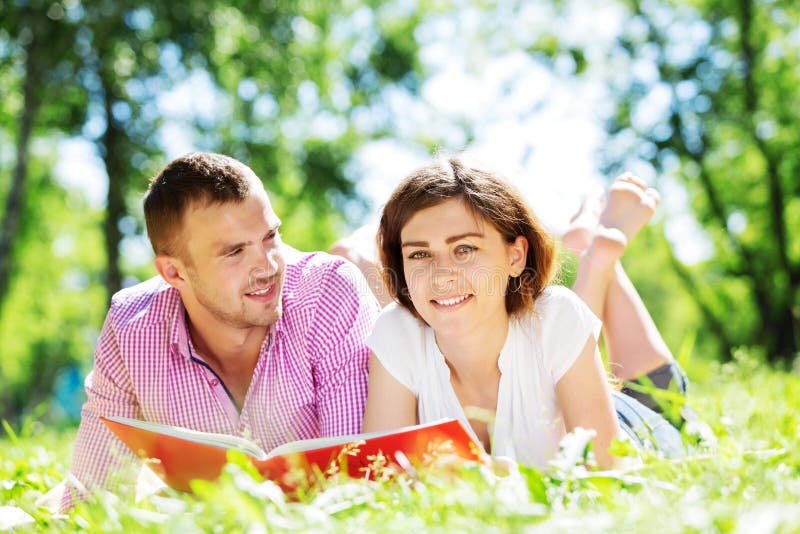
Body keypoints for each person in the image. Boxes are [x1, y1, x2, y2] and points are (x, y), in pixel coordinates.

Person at [61, 152, 380, 507]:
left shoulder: (328, 292)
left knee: (358, 256)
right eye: (234, 252)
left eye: (270, 235)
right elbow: (92, 497)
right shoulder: (131, 327)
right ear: (174, 273)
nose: (267, 265)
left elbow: (354, 480)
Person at [358, 158, 686, 470]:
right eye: (419, 254)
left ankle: (597, 259)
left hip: (637, 429)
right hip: (574, 385)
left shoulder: (557, 316)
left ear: (515, 256)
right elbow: (382, 483)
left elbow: (610, 474)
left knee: (665, 395)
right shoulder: (396, 332)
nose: (441, 276)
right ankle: (594, 253)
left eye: (464, 249)